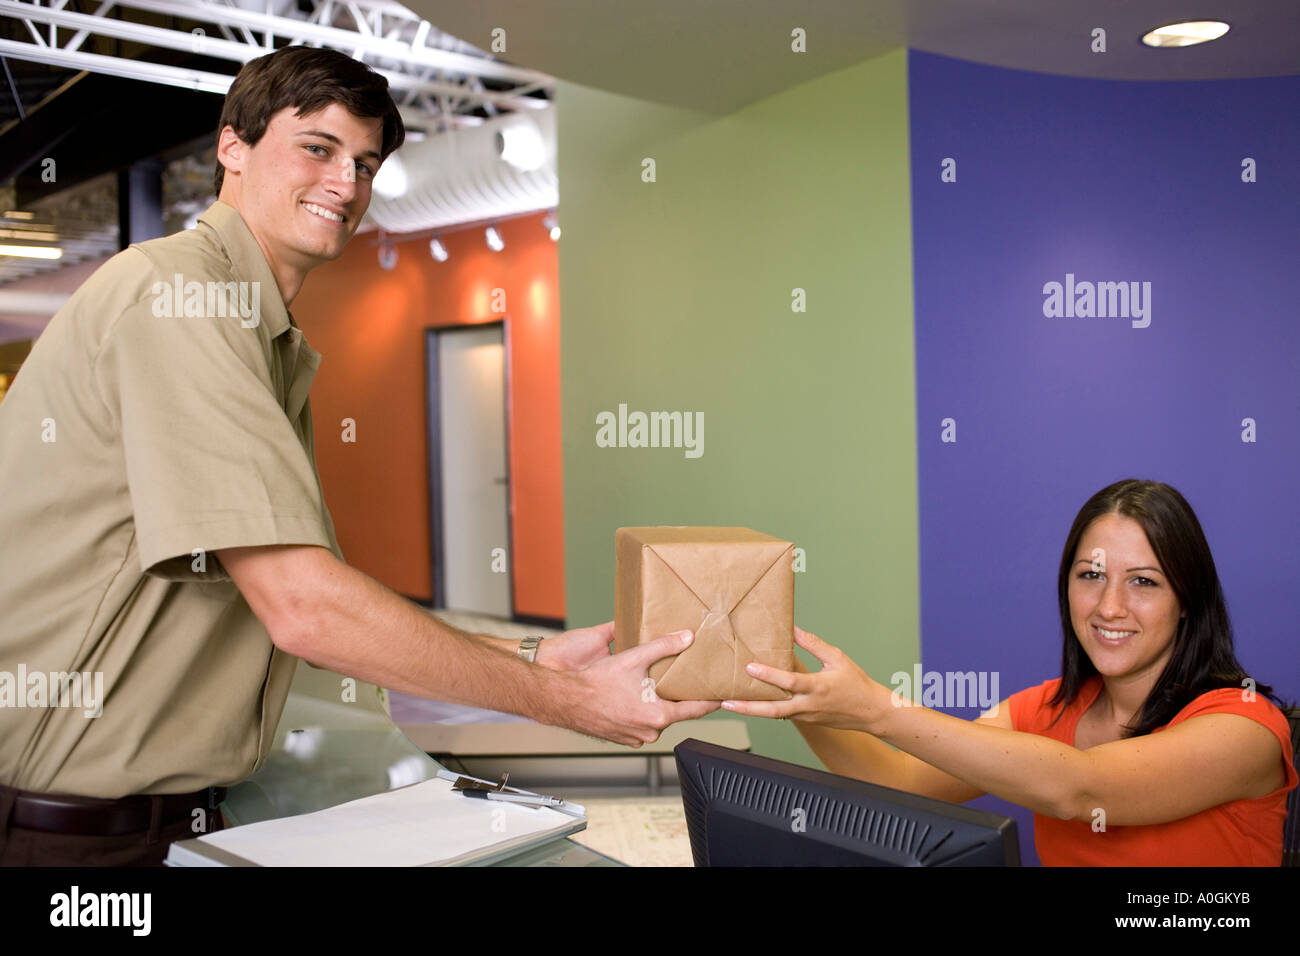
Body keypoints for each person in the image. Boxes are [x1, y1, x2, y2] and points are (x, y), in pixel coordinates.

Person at [0, 45, 715, 866]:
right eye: (317, 148)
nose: (347, 183)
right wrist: (565, 699)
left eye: (365, 163)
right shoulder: (179, 297)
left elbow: (296, 607)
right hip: (71, 842)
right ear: (232, 145)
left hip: (160, 819)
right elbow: (305, 606)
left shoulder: (255, 330)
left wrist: (530, 651)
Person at [724, 479, 1297, 865]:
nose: (1110, 607)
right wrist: (776, 666)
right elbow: (896, 780)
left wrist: (878, 708)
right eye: (1090, 575)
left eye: (1143, 581)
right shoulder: (1043, 711)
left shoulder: (1245, 728)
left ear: (1188, 599)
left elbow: (1079, 787)